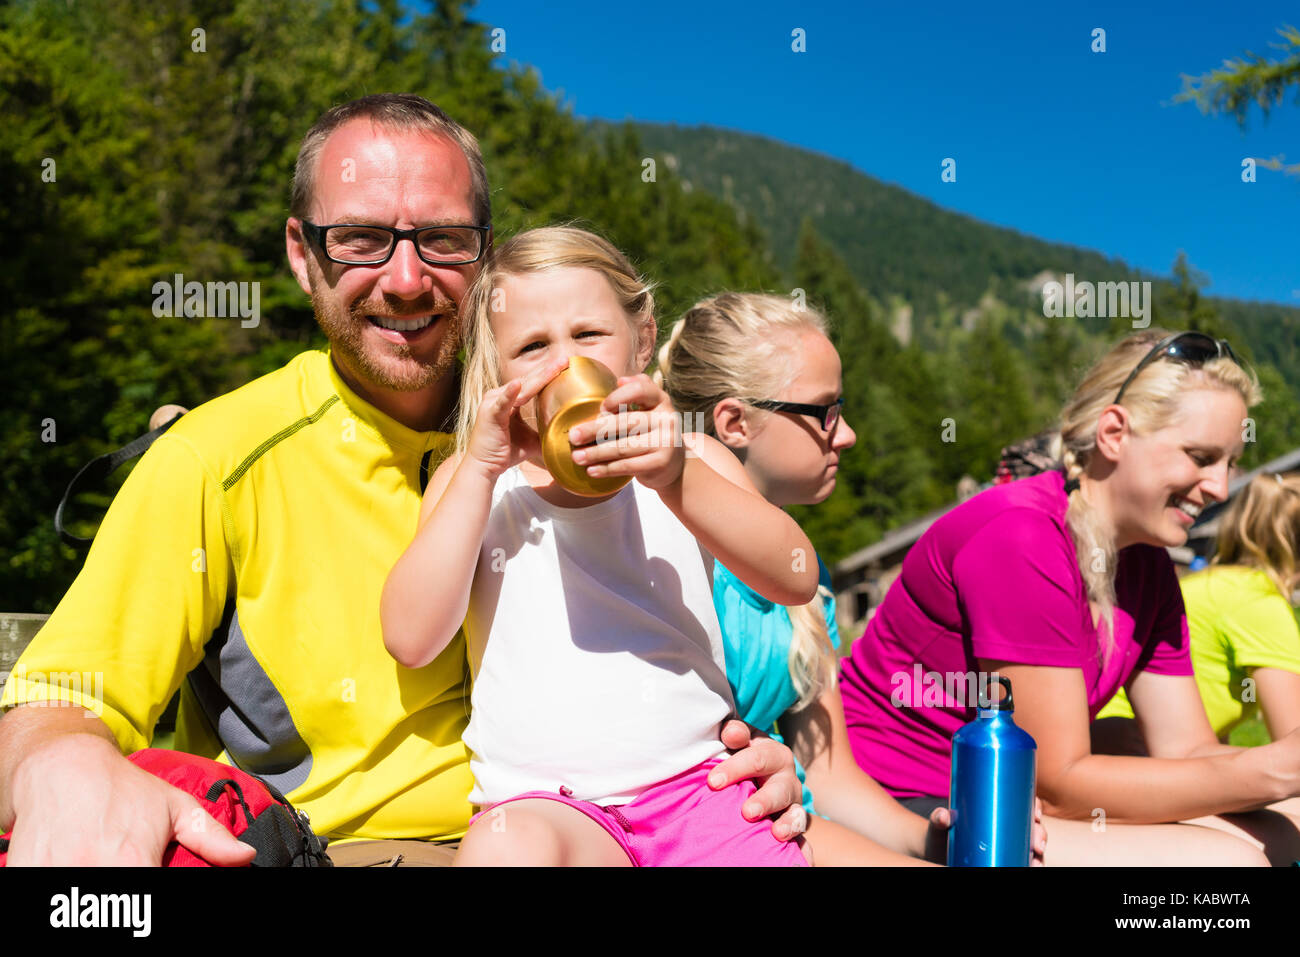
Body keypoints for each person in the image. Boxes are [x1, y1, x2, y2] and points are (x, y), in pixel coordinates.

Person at [0, 95, 805, 866]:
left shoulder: (593, 444)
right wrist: (61, 773)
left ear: (484, 260)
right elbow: (52, 707)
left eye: (444, 239)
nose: (408, 278)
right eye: (359, 238)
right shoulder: (217, 458)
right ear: (300, 253)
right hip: (356, 849)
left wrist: (753, 757)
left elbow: (740, 600)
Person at [382, 228, 818, 866]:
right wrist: (477, 470)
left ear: (642, 338)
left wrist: (677, 477)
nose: (563, 363)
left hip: (698, 786)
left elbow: (794, 575)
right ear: (495, 369)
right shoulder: (478, 483)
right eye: (532, 346)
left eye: (588, 336)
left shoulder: (690, 457)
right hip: (544, 807)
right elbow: (410, 638)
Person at [838, 328, 1300, 865]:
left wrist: (1282, 775)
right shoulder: (1022, 535)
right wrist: (1276, 768)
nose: (1219, 487)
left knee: (1287, 827)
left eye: (1230, 463)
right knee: (1227, 864)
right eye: (1200, 456)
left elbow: (1186, 749)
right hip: (920, 805)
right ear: (1113, 433)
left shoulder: (1147, 564)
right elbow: (1059, 782)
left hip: (1016, 798)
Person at [656, 292, 1048, 865]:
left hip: (796, 826)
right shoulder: (669, 557)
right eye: (823, 412)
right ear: (734, 422)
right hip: (726, 833)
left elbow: (830, 774)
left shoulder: (806, 590)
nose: (846, 435)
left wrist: (943, 839)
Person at [1096, 471, 1300, 744]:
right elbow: (1292, 754)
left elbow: (1210, 714)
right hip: (1132, 748)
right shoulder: (1261, 605)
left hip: (1106, 733)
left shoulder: (1214, 585)